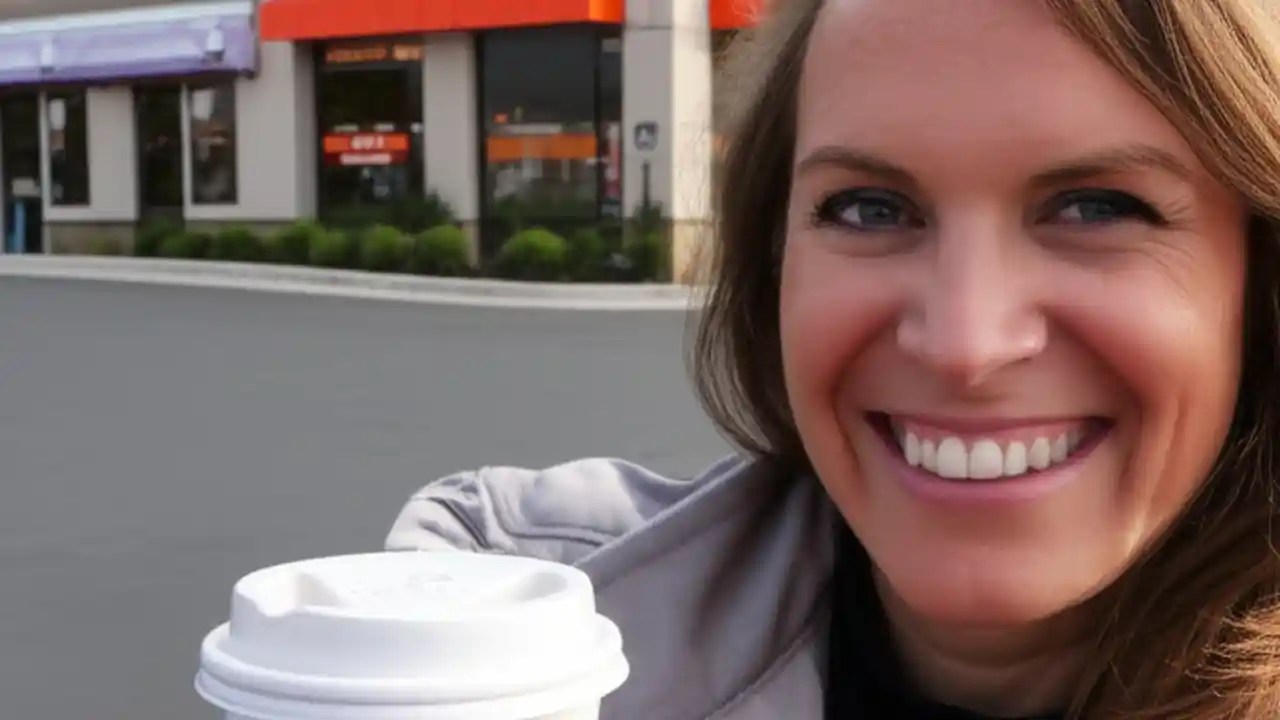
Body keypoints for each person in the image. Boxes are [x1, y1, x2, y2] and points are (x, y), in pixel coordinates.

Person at [387, 0, 1280, 717]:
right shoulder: (517, 609)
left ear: (1260, 280)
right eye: (870, 210)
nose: (965, 345)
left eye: (1095, 208)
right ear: (773, 259)